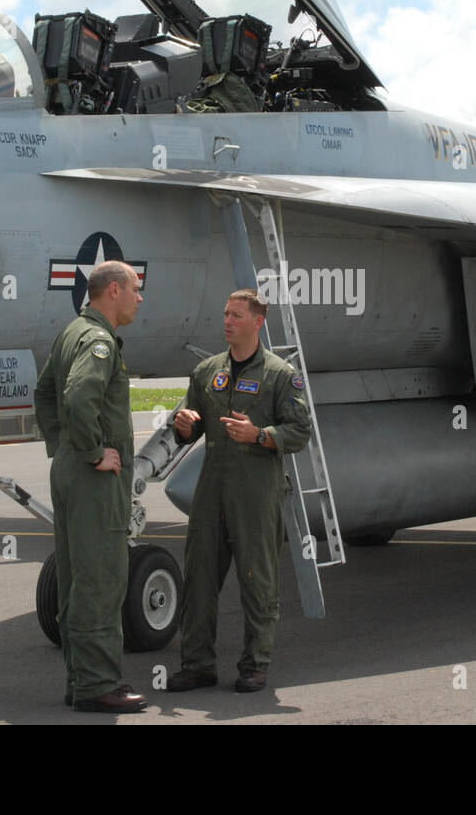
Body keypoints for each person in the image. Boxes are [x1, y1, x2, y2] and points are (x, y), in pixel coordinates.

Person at [167, 289, 312, 693]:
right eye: (225, 314)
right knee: (199, 578)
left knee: (258, 579)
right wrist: (184, 426)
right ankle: (197, 664)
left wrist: (260, 435)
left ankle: (255, 664)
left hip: (256, 493)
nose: (227, 321)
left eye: (236, 315)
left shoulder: (282, 375)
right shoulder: (207, 371)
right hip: (211, 491)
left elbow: (300, 431)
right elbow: (192, 425)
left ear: (257, 321)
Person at [34, 260, 146, 713]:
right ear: (113, 291)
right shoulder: (99, 342)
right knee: (101, 578)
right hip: (92, 478)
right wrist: (93, 452)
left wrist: (63, 448)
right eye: (136, 289)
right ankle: (100, 685)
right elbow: (79, 398)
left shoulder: (72, 332)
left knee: (78, 579)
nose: (140, 298)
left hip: (70, 470)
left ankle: (81, 682)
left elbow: (44, 392)